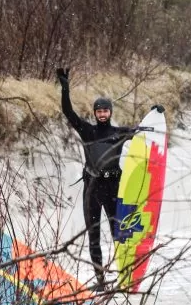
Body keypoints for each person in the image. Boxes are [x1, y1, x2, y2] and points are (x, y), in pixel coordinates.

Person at [56, 68, 136, 286]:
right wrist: (65, 88)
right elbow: (68, 112)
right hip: (92, 188)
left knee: (118, 233)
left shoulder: (119, 133)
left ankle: (125, 275)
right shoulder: (88, 131)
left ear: (110, 112)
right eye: (98, 111)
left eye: (105, 111)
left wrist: (156, 114)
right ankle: (100, 279)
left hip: (113, 187)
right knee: (94, 236)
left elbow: (144, 131)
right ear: (95, 113)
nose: (102, 114)